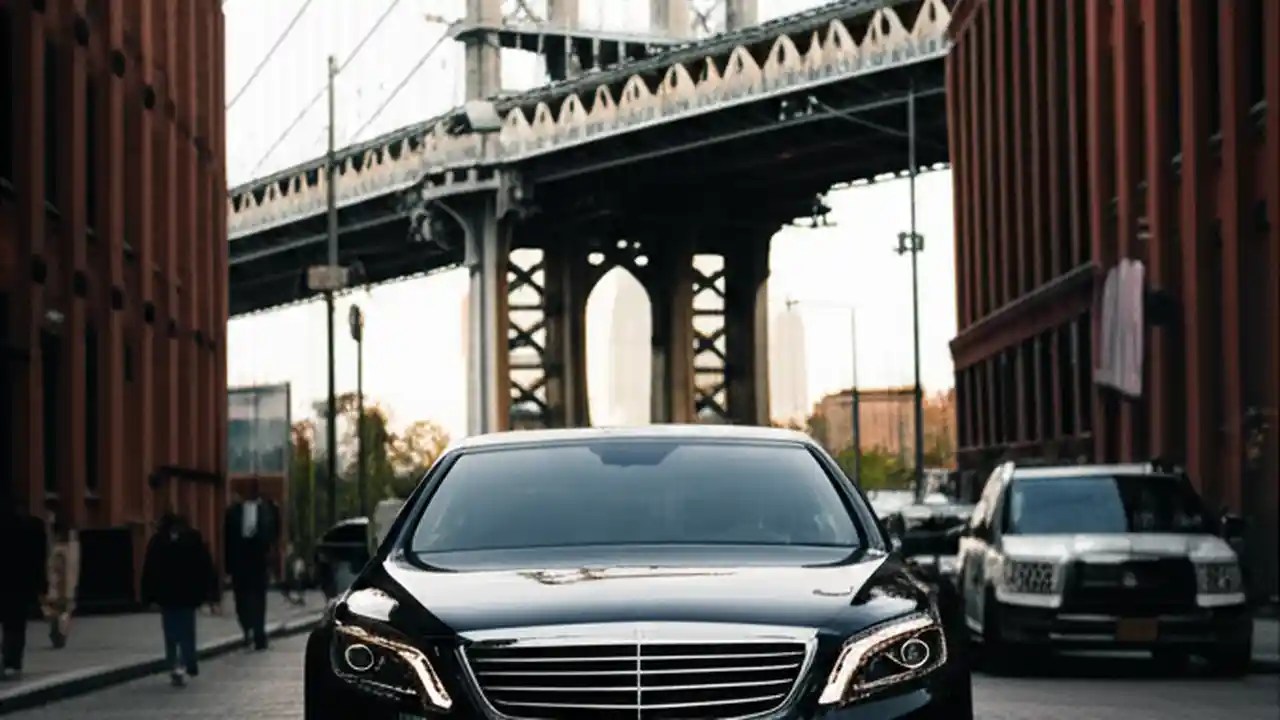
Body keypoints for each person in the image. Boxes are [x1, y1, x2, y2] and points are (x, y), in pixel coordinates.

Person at [140, 513, 220, 687]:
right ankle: (184, 662)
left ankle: (178, 663)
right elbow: (206, 566)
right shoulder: (191, 539)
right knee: (184, 630)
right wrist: (210, 594)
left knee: (173, 631)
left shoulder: (159, 541)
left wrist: (147, 596)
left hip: (172, 595)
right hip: (183, 594)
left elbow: (149, 570)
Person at [223, 479, 279, 650]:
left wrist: (271, 557)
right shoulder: (233, 512)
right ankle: (247, 628)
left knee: (259, 600)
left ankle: (259, 634)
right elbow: (227, 540)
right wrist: (228, 566)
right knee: (241, 600)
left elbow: (274, 535)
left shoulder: (267, 510)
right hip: (240, 562)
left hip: (259, 561)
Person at [0, 494, 48, 680]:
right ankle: (12, 659)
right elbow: (39, 559)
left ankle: (10, 658)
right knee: (16, 624)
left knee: (13, 622)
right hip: (21, 583)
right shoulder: (34, 526)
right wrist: (41, 584)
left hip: (7, 580)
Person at [42, 512, 80, 649]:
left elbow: (58, 569)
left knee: (56, 610)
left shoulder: (60, 550)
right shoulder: (72, 547)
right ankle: (59, 634)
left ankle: (59, 633)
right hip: (67, 586)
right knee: (63, 610)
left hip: (59, 586)